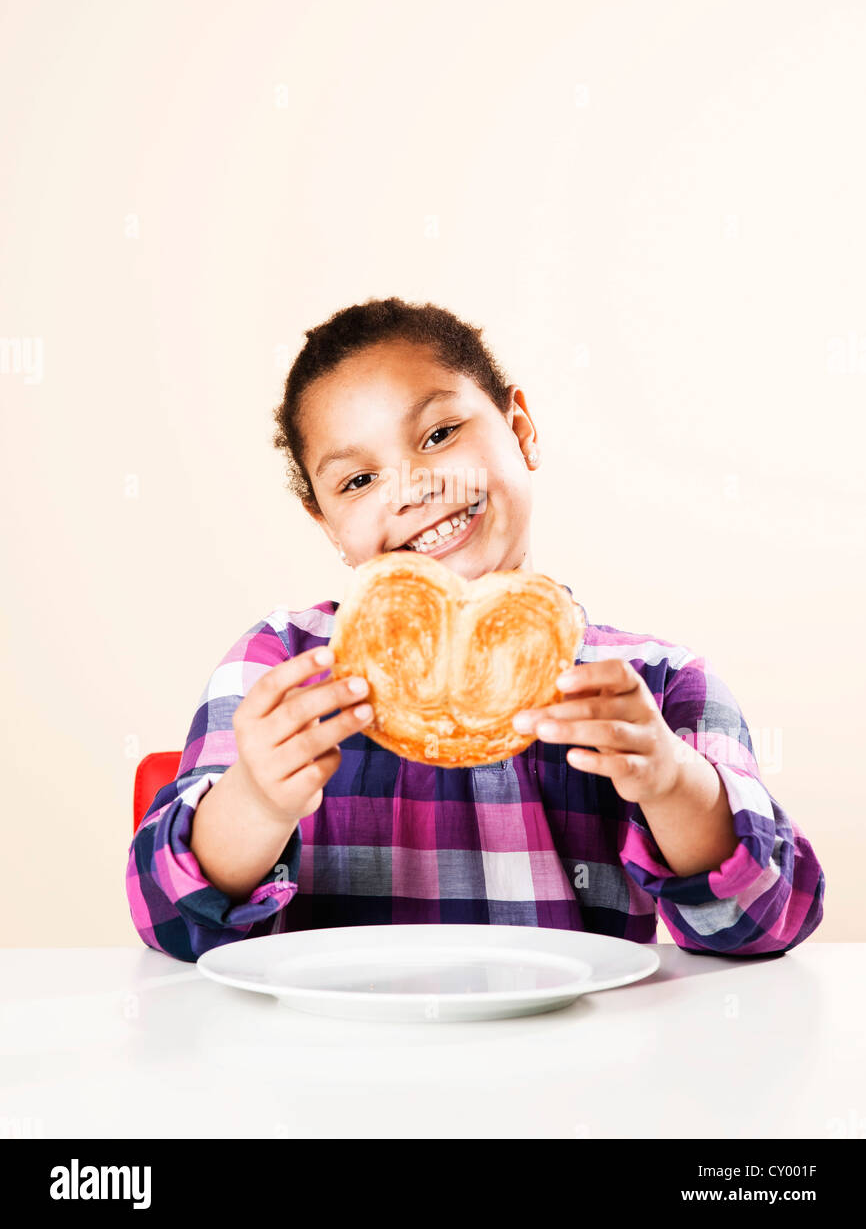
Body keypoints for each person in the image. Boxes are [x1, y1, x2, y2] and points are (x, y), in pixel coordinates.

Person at [126, 296, 824, 963]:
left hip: (579, 1070)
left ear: (522, 430)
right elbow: (166, 922)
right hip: (340, 1068)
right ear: (328, 526)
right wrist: (256, 798)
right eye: (358, 481)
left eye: (437, 435)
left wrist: (672, 782)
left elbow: (769, 922)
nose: (411, 487)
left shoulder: (656, 687)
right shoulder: (282, 666)